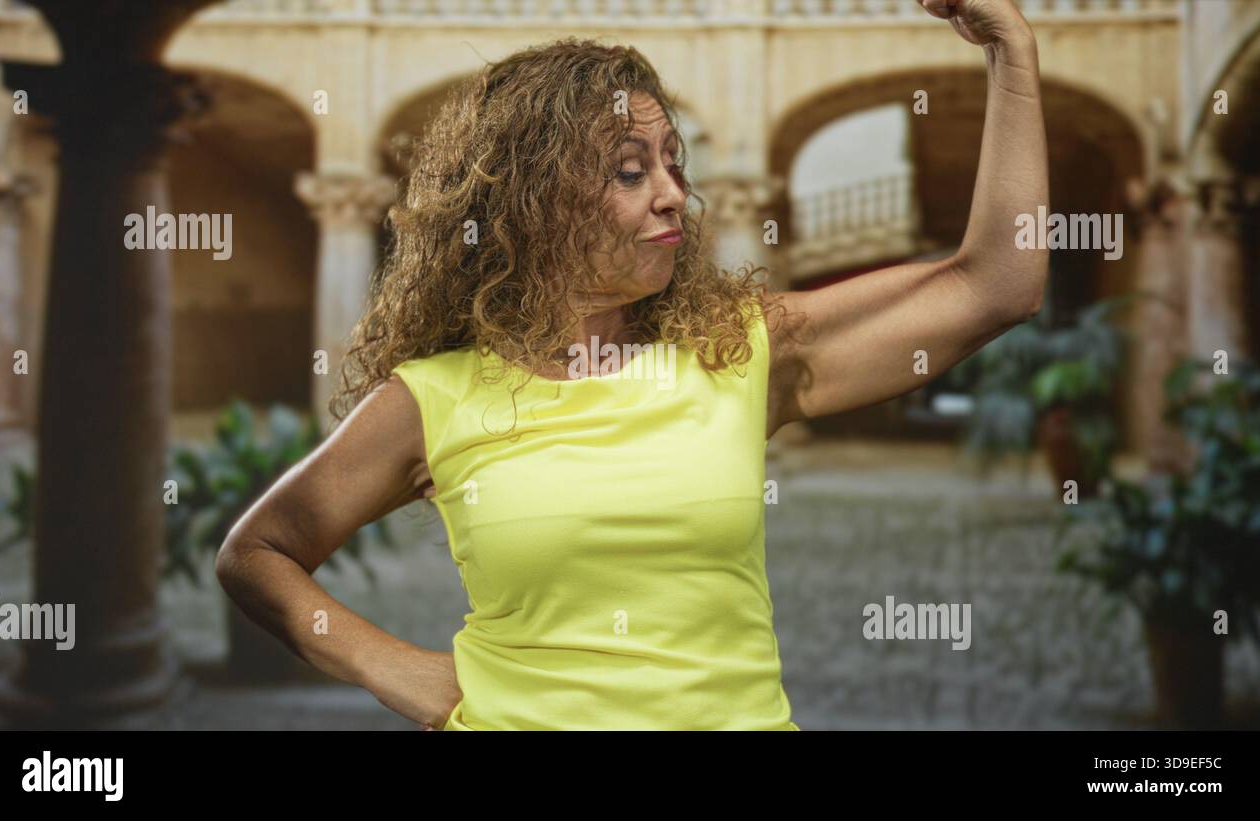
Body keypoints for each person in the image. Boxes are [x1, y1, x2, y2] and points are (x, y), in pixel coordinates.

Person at [215, 0, 1048, 730]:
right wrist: (395, 668)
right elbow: (257, 554)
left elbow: (995, 284)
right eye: (629, 169)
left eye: (673, 163)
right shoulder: (434, 398)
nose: (673, 193)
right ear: (533, 202)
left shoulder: (739, 350)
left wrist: (1010, 51)